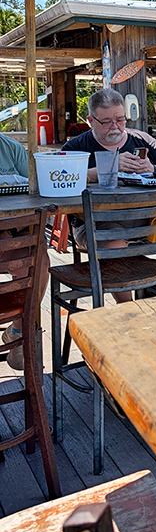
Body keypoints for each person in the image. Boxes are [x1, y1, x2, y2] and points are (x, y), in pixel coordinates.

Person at [63, 89, 156, 300]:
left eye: (120, 119)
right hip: (98, 222)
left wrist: (151, 168)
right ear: (90, 120)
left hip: (151, 217)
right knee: (115, 247)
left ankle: (153, 290)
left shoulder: (142, 139)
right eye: (106, 121)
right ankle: (127, 307)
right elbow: (60, 179)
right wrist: (102, 171)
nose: (115, 126)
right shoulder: (75, 147)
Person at [0, 132, 43, 369]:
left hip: (9, 237)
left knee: (38, 257)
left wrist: (12, 228)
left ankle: (19, 330)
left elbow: (35, 191)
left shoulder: (10, 148)